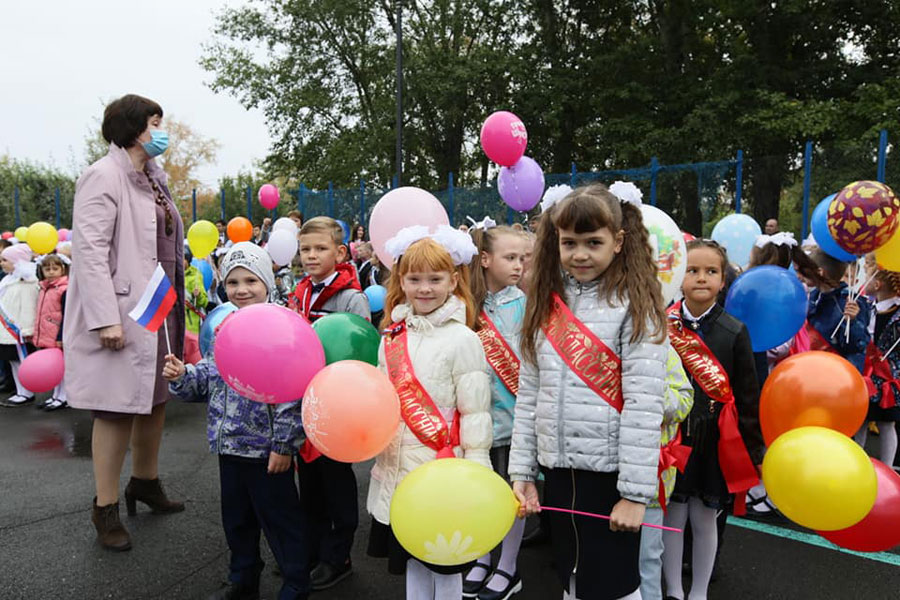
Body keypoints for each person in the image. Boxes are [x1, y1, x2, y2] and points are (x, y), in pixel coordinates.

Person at [510, 182, 668, 600]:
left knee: (615, 586)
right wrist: (523, 472)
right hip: (559, 470)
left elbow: (644, 405)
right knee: (571, 580)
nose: (580, 254)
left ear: (618, 241)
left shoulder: (636, 306)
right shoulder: (546, 302)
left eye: (593, 242)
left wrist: (635, 495)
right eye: (570, 242)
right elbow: (529, 395)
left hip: (612, 476)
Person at [65, 94, 186, 552]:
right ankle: (106, 506)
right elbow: (91, 251)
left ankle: (145, 482)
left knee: (154, 398)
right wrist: (104, 319)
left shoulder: (152, 176)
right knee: (116, 407)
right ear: (135, 127)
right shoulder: (103, 175)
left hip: (158, 304)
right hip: (121, 311)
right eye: (156, 121)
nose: (161, 130)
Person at [163, 242, 310, 600]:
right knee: (237, 522)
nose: (241, 290)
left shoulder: (284, 328)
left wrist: (284, 445)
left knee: (281, 523)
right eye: (232, 282)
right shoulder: (225, 325)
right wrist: (183, 375)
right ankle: (243, 580)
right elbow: (212, 376)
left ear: (267, 284)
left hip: (267, 454)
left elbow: (295, 393)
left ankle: (296, 584)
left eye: (251, 281)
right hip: (229, 446)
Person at [367, 228, 491, 600]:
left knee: (444, 558)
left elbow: (476, 412)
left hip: (442, 467)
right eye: (414, 278)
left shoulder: (463, 339)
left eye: (435, 279)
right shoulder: (391, 335)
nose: (424, 288)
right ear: (400, 280)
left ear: (454, 281)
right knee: (411, 556)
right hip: (398, 463)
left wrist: (478, 468)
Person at [662, 239, 764, 600]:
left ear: (724, 280)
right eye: (692, 270)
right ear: (678, 277)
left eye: (711, 271)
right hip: (673, 442)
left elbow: (748, 395)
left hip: (715, 444)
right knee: (672, 518)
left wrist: (754, 453)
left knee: (705, 519)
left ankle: (699, 592)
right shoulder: (663, 324)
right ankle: (674, 589)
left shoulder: (735, 331)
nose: (701, 278)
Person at [289, 216, 369, 591]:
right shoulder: (299, 291)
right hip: (305, 402)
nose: (311, 255)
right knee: (310, 484)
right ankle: (314, 550)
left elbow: (358, 347)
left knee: (335, 482)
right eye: (306, 249)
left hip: (336, 404)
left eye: (320, 249)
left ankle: (339, 555)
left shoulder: (351, 297)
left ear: (340, 252)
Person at [464, 223, 528, 599]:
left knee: (511, 497)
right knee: (479, 494)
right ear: (485, 259)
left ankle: (509, 565)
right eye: (510, 257)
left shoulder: (525, 303)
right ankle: (482, 555)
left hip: (513, 421)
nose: (519, 265)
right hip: (477, 420)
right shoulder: (467, 304)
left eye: (522, 258)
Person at [638, 347, 692, 600]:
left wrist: (647, 389)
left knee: (648, 557)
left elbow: (683, 400)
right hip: (602, 475)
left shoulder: (660, 346)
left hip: (651, 477)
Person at [854, 268, 900, 465]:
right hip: (865, 373)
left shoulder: (896, 314)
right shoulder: (868, 308)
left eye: (868, 275)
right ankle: (856, 463)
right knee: (860, 420)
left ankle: (888, 468)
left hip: (887, 377)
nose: (865, 279)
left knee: (887, 422)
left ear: (878, 284)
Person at [806, 248, 871, 373]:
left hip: (838, 375)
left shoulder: (850, 301)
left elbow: (858, 346)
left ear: (820, 272)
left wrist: (852, 322)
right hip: (812, 368)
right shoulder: (813, 297)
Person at [0, 243, 39, 407]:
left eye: (5, 260)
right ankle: (20, 390)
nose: (1, 263)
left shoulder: (26, 282)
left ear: (16, 262)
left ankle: (27, 393)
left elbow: (29, 308)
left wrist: (27, 329)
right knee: (13, 362)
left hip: (18, 332)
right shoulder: (8, 279)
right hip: (7, 331)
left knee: (22, 362)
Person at [33, 252, 71, 411]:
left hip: (57, 336)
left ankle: (63, 397)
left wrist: (61, 336)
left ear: (63, 269)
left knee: (61, 368)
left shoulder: (64, 289)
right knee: (54, 368)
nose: (50, 272)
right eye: (47, 269)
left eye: (55, 268)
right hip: (47, 334)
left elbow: (66, 315)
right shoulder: (44, 288)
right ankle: (56, 395)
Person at [183, 247, 207, 365]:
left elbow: (203, 302)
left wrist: (197, 296)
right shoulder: (172, 273)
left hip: (192, 327)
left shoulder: (196, 275)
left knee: (194, 361)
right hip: (178, 325)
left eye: (183, 259)